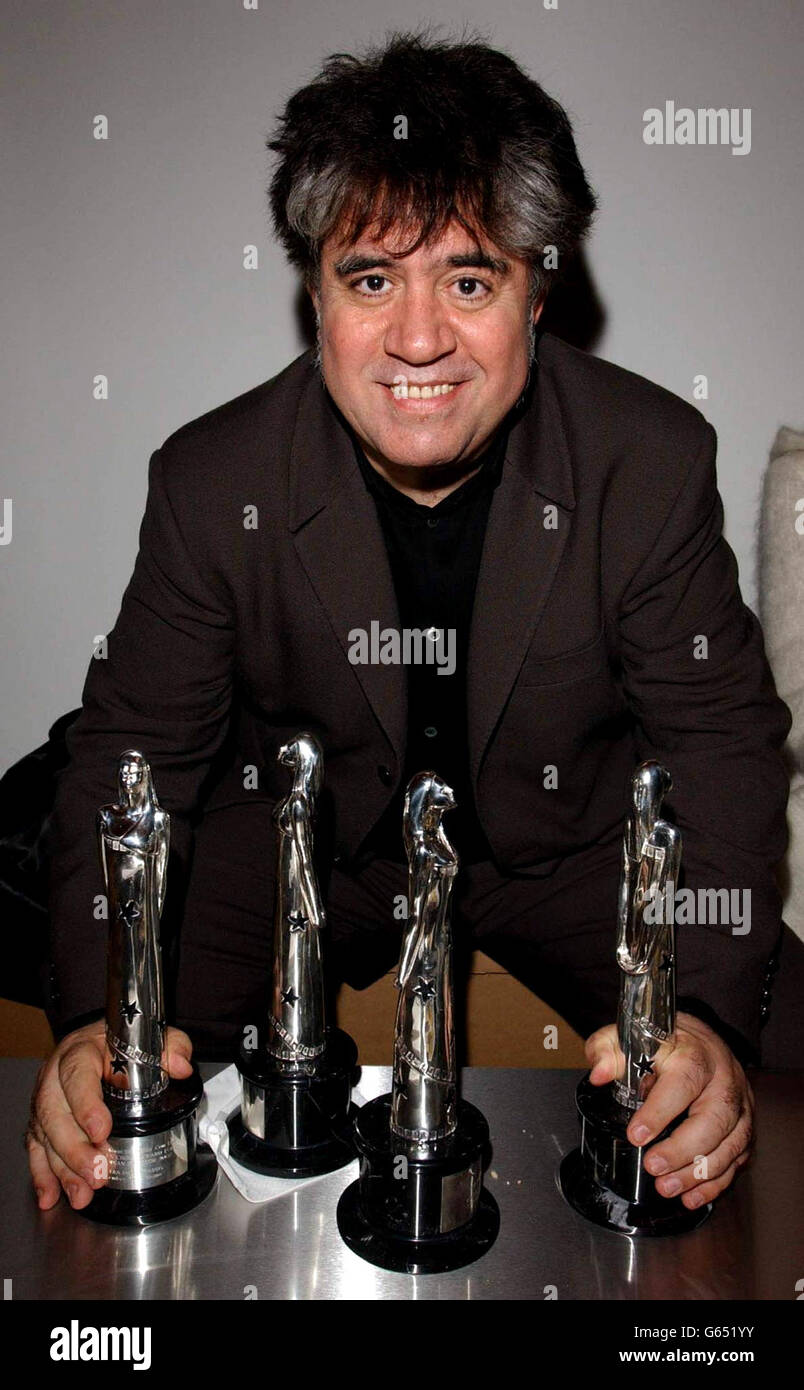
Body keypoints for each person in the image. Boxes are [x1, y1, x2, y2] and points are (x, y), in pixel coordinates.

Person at [28, 30, 791, 1220]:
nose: (419, 338)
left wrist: (705, 1022)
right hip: (304, 849)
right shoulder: (206, 478)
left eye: (470, 280)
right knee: (112, 1088)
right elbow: (133, 753)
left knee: (771, 1043)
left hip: (566, 854)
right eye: (372, 278)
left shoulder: (648, 459)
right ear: (315, 293)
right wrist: (88, 1018)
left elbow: (724, 740)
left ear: (541, 287)